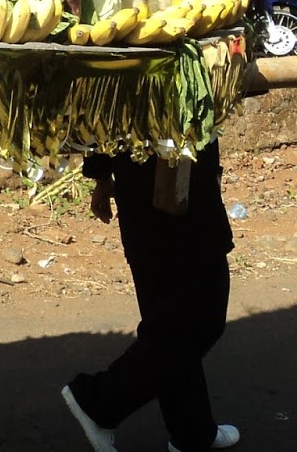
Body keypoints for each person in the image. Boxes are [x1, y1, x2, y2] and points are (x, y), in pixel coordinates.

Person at [62, 144, 240, 451]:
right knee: (202, 312)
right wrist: (102, 175)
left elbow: (105, 106)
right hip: (172, 180)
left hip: (144, 188)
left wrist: (101, 175)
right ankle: (100, 401)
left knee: (169, 315)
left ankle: (192, 431)